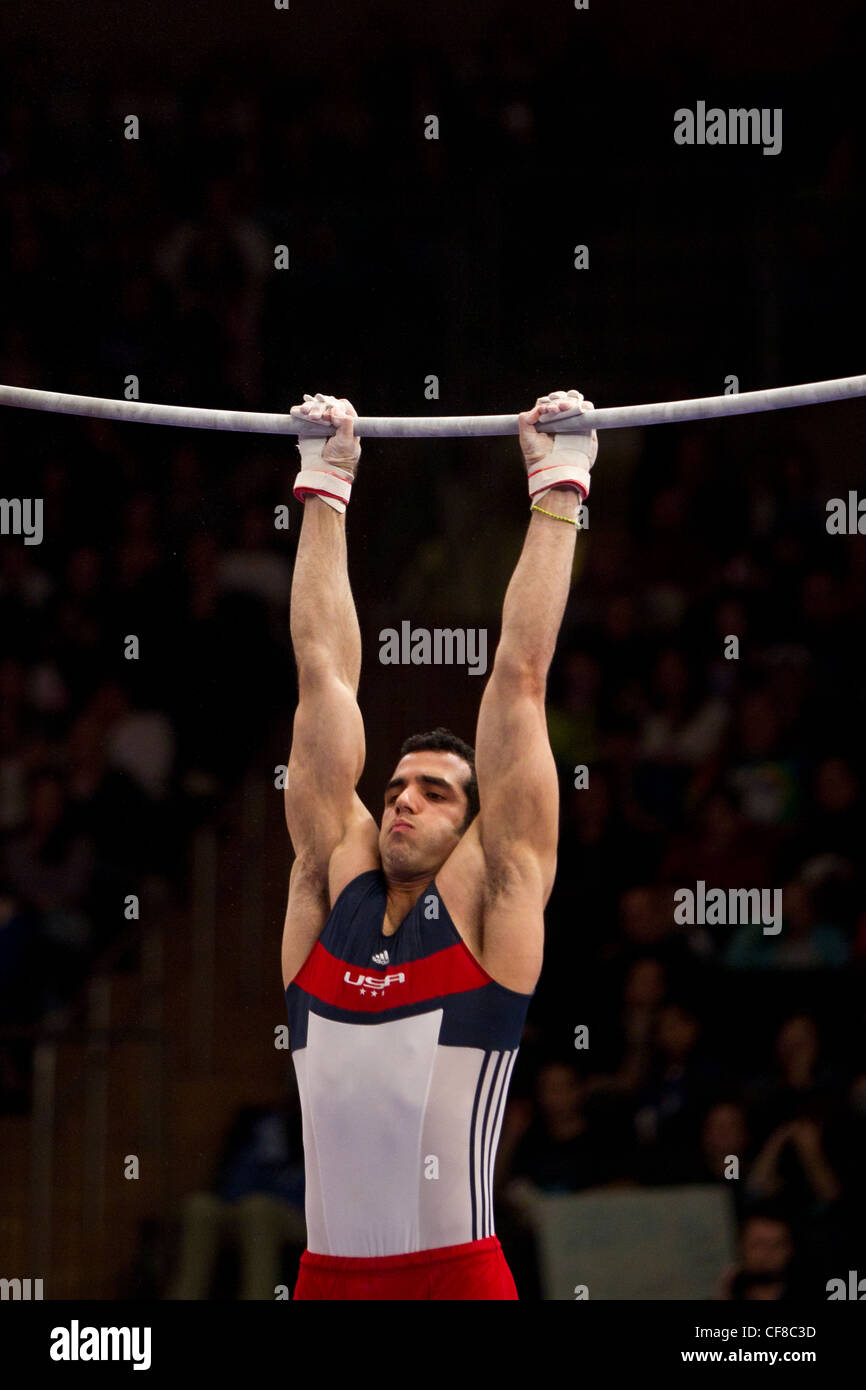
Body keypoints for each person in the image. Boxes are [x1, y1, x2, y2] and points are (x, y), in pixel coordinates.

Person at [281, 388, 598, 1300]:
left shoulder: (491, 902)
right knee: (320, 694)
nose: (404, 803)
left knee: (518, 695)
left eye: (435, 792)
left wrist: (558, 489)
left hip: (453, 1280)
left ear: (474, 825)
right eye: (395, 790)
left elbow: (521, 682)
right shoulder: (327, 883)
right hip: (326, 1282)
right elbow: (324, 675)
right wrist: (324, 487)